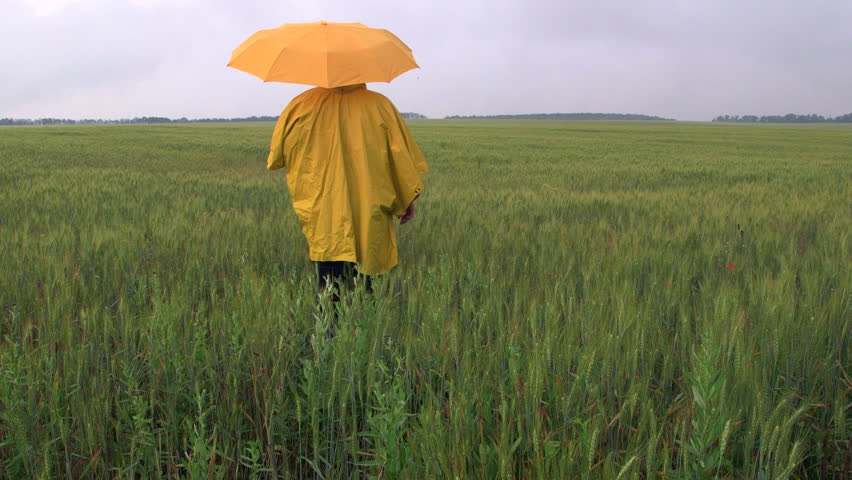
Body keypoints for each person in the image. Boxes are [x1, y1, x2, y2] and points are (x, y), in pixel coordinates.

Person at [267, 83, 428, 295]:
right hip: (370, 214)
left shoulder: (299, 106)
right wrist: (406, 201)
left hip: (324, 215)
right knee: (371, 294)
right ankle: (368, 327)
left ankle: (330, 328)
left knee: (329, 291)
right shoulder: (380, 106)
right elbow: (402, 161)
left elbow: (275, 159)